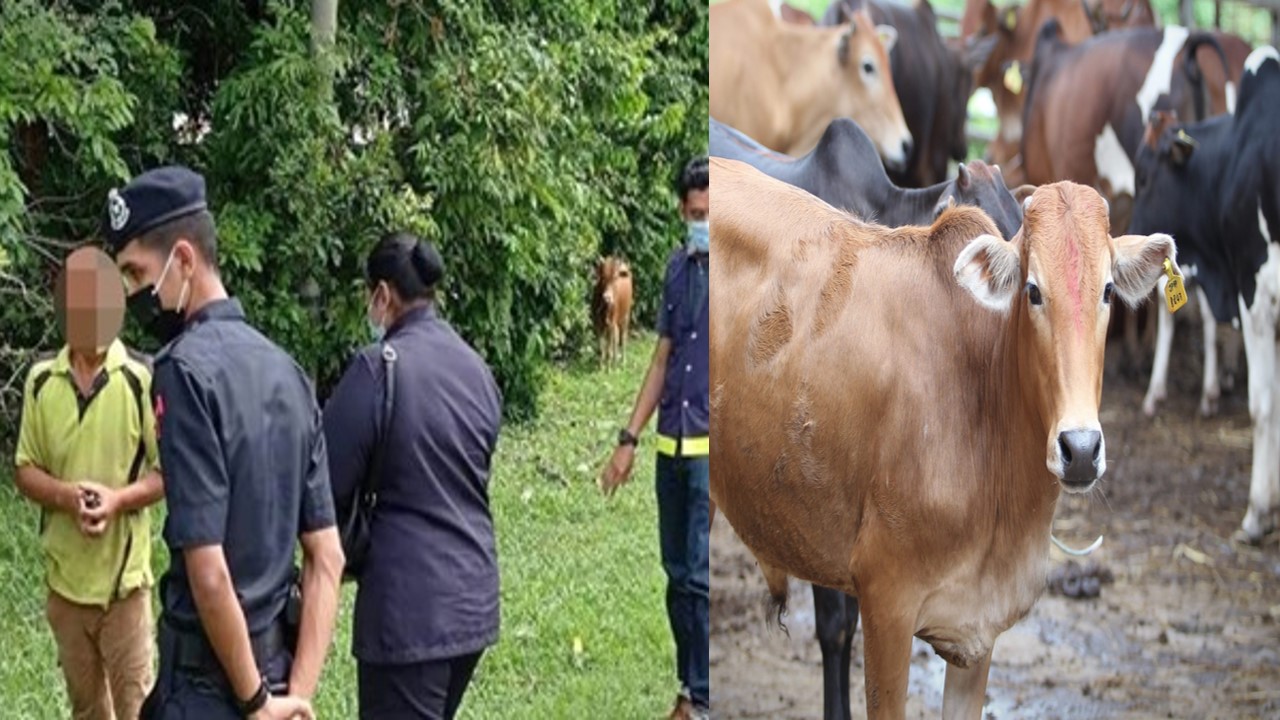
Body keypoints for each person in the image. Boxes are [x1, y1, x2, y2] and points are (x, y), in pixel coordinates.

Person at [101, 165, 345, 719]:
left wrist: (256, 703)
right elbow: (326, 554)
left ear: (183, 260)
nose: (133, 294)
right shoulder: (286, 370)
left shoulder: (183, 372)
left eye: (137, 273)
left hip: (211, 691)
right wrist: (293, 699)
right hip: (278, 674)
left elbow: (208, 568)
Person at [322, 232, 503, 720]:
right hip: (473, 598)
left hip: (408, 612)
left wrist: (345, 551)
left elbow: (323, 488)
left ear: (382, 295)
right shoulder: (475, 369)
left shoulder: (377, 369)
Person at [14, 246, 164, 720]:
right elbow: (24, 468)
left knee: (137, 709)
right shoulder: (41, 381)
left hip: (125, 592)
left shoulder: (142, 378)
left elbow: (169, 473)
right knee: (87, 711)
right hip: (65, 588)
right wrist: (65, 496)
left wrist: (119, 500)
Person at [599, 156, 710, 720]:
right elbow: (663, 357)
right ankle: (689, 688)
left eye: (711, 214)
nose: (703, 225)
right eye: (695, 214)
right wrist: (629, 437)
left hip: (712, 458)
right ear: (681, 211)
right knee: (676, 578)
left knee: (700, 578)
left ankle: (701, 697)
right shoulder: (675, 269)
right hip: (671, 447)